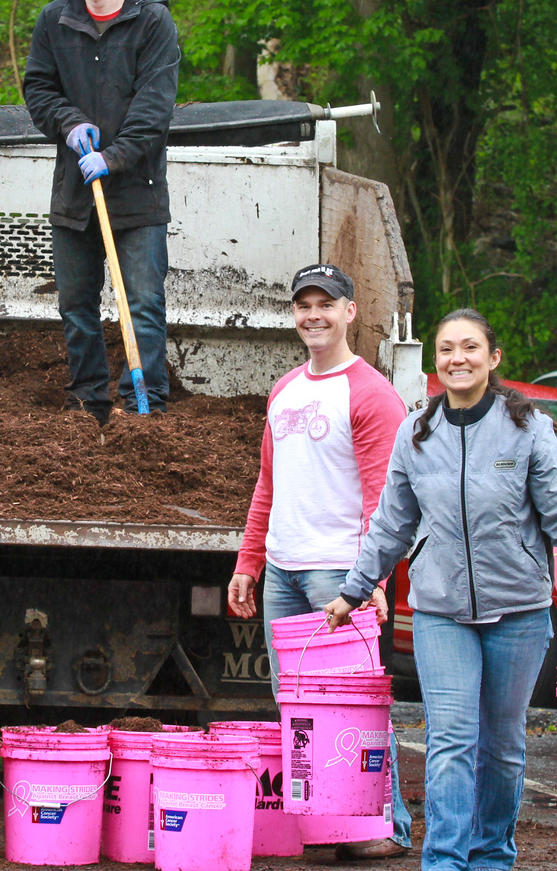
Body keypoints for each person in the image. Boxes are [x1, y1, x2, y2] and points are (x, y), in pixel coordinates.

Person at [323, 307, 557, 871]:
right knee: (451, 742)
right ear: (436, 362)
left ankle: (492, 856)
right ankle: (443, 861)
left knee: (504, 749)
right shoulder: (416, 432)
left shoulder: (528, 428)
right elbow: (391, 524)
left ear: (492, 359)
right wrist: (355, 589)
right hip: (441, 614)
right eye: (446, 349)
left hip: (518, 612)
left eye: (469, 348)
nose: (456, 358)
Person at [227, 263, 415, 860]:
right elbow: (267, 484)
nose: (314, 315)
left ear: (350, 313)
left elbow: (384, 500)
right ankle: (331, 827)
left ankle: (386, 827)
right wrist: (248, 562)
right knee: (299, 711)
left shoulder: (371, 395)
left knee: (359, 709)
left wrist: (373, 580)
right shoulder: (284, 390)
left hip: (341, 575)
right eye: (304, 304)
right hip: (283, 570)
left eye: (326, 304)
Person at [23, 0, 180, 424]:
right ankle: (88, 403)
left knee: (142, 306)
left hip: (138, 191)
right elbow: (39, 89)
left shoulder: (153, 22)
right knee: (76, 307)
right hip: (75, 193)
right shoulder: (54, 20)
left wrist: (111, 159)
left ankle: (144, 404)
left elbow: (154, 110)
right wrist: (69, 125)